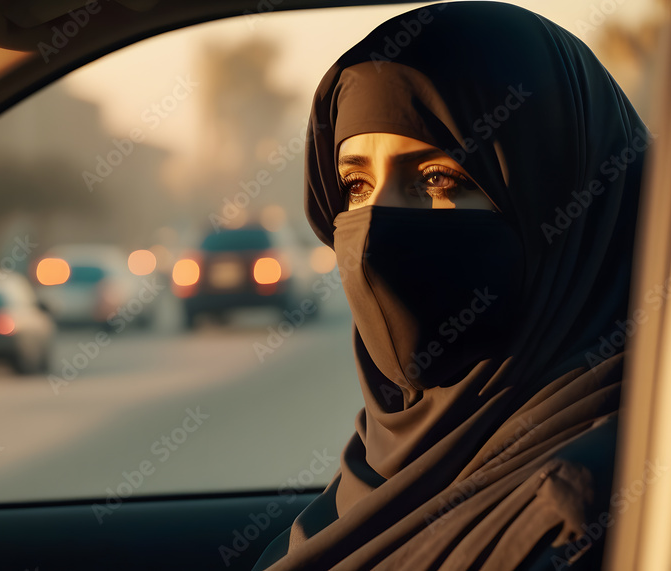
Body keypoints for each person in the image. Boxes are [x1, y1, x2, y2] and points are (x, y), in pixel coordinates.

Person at [254, 2, 649, 569]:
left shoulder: (578, 509)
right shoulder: (383, 464)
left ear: (563, 207)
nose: (372, 238)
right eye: (356, 184)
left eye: (439, 179)